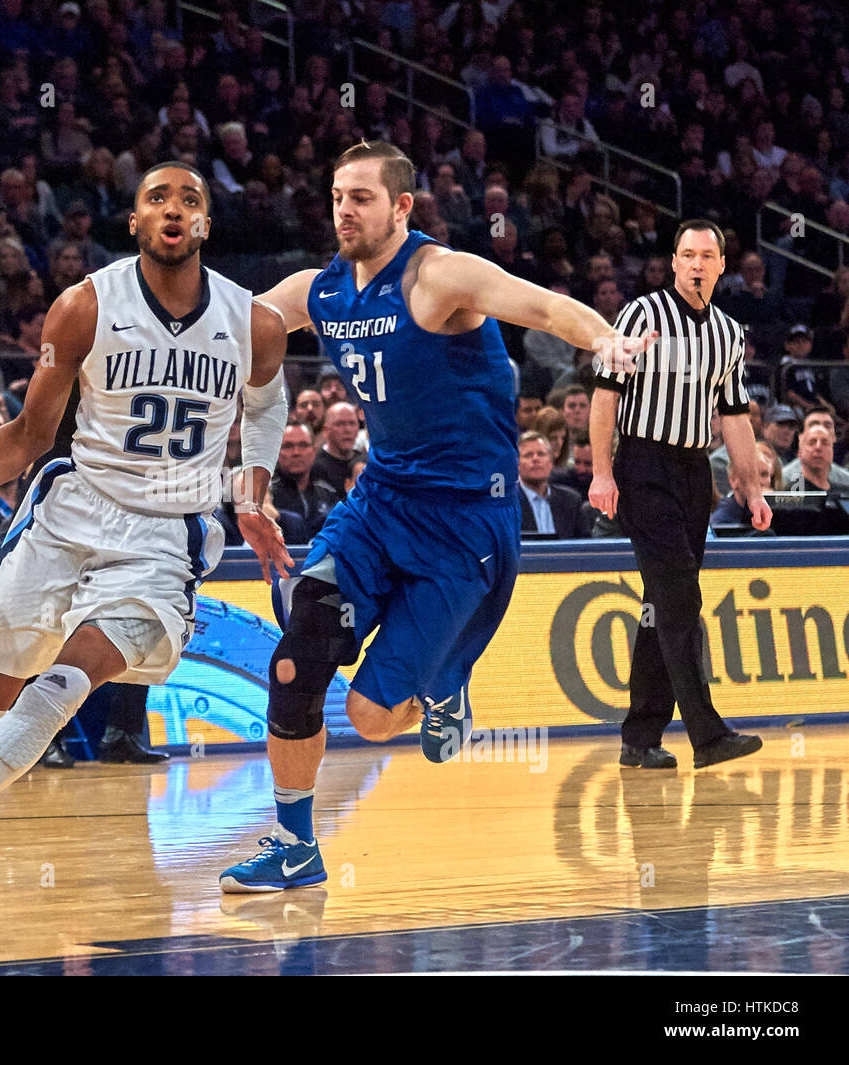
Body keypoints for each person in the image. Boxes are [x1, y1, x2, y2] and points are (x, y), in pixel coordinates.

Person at [0, 160, 290, 924]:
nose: (174, 209)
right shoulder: (83, 308)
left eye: (191, 199)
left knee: (60, 689)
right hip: (71, 514)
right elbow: (25, 436)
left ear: (206, 222)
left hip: (164, 539)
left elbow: (268, 406)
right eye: (157, 199)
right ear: (135, 222)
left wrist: (253, 489)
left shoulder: (255, 324)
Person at [218, 139, 655, 893]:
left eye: (361, 197)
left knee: (373, 714)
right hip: (381, 501)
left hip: (464, 523)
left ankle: (446, 683)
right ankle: (295, 846)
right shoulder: (318, 290)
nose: (345, 210)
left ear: (402, 206)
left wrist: (607, 340)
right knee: (296, 658)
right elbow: (223, 325)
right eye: (336, 196)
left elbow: (543, 305)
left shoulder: (437, 276)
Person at [589, 219, 768, 773]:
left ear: (720, 265)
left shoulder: (730, 333)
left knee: (658, 605)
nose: (695, 264)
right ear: (673, 262)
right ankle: (708, 734)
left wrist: (752, 487)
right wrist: (601, 471)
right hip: (642, 464)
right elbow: (604, 396)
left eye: (706, 256)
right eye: (686, 254)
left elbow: (734, 417)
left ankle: (640, 736)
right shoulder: (642, 314)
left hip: (693, 471)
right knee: (680, 596)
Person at [517, 432, 588, 537]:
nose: (536, 459)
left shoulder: (571, 501)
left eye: (541, 454)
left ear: (551, 463)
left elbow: (585, 546)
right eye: (528, 455)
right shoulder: (506, 503)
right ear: (517, 464)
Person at [311, 402, 364, 496]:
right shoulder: (315, 467)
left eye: (352, 423)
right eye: (340, 424)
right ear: (326, 430)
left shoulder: (364, 461)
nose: (347, 429)